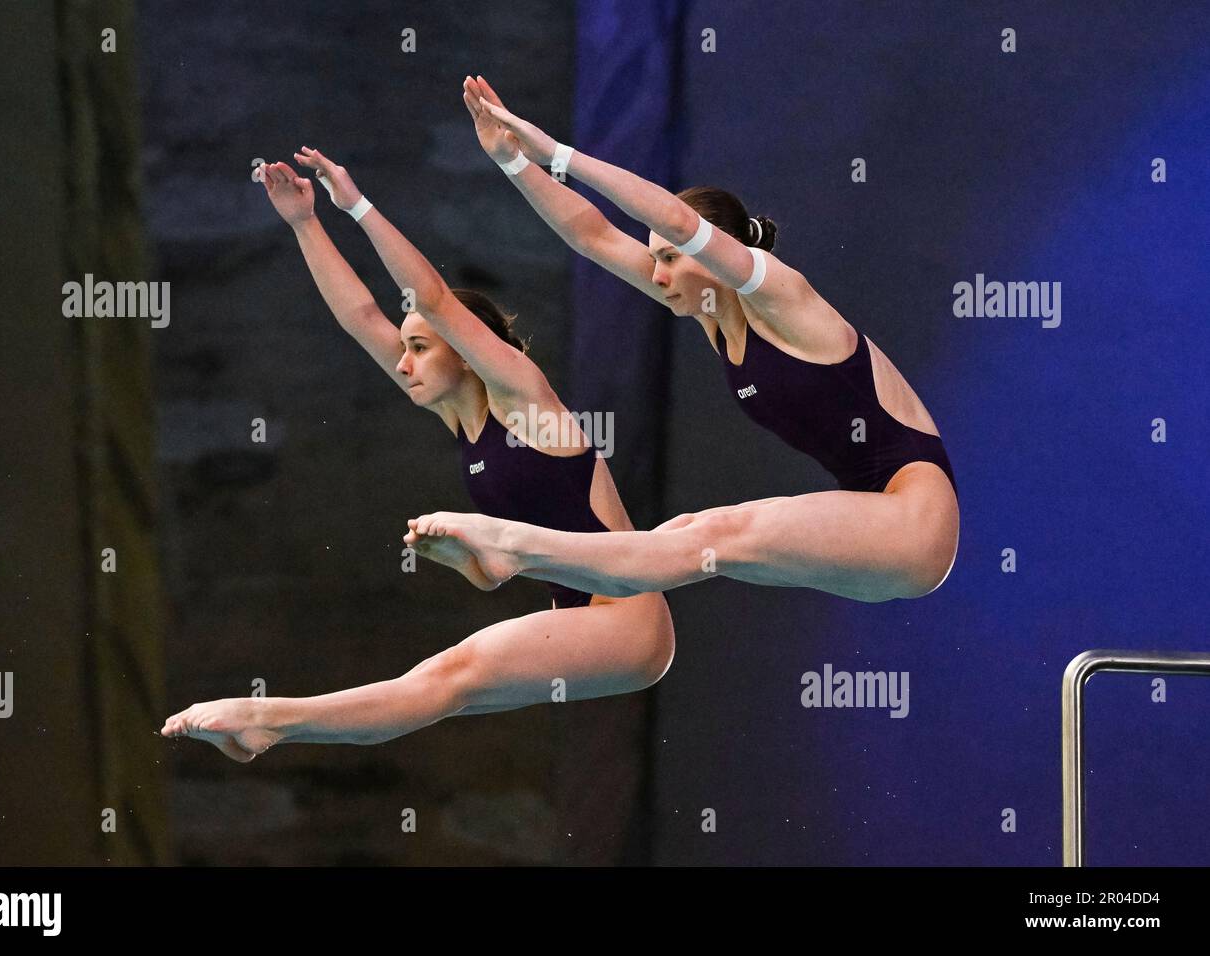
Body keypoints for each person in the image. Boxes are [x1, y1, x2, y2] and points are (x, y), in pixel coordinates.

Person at [161, 148, 674, 762]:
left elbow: (429, 298)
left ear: (467, 349)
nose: (402, 363)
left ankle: (266, 716)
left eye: (420, 349)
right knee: (436, 690)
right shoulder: (460, 417)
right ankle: (273, 726)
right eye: (404, 351)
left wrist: (355, 204)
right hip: (590, 618)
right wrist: (305, 223)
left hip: (627, 616)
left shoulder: (524, 396)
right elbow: (362, 318)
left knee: (450, 675)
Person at [401, 77, 959, 605]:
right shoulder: (713, 313)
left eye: (669, 257)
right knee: (685, 537)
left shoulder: (782, 296)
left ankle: (511, 544)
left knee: (712, 533)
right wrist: (512, 161)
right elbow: (590, 234)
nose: (657, 275)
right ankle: (523, 562)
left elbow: (673, 215)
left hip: (916, 517)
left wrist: (557, 154)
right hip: (876, 529)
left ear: (716, 250)